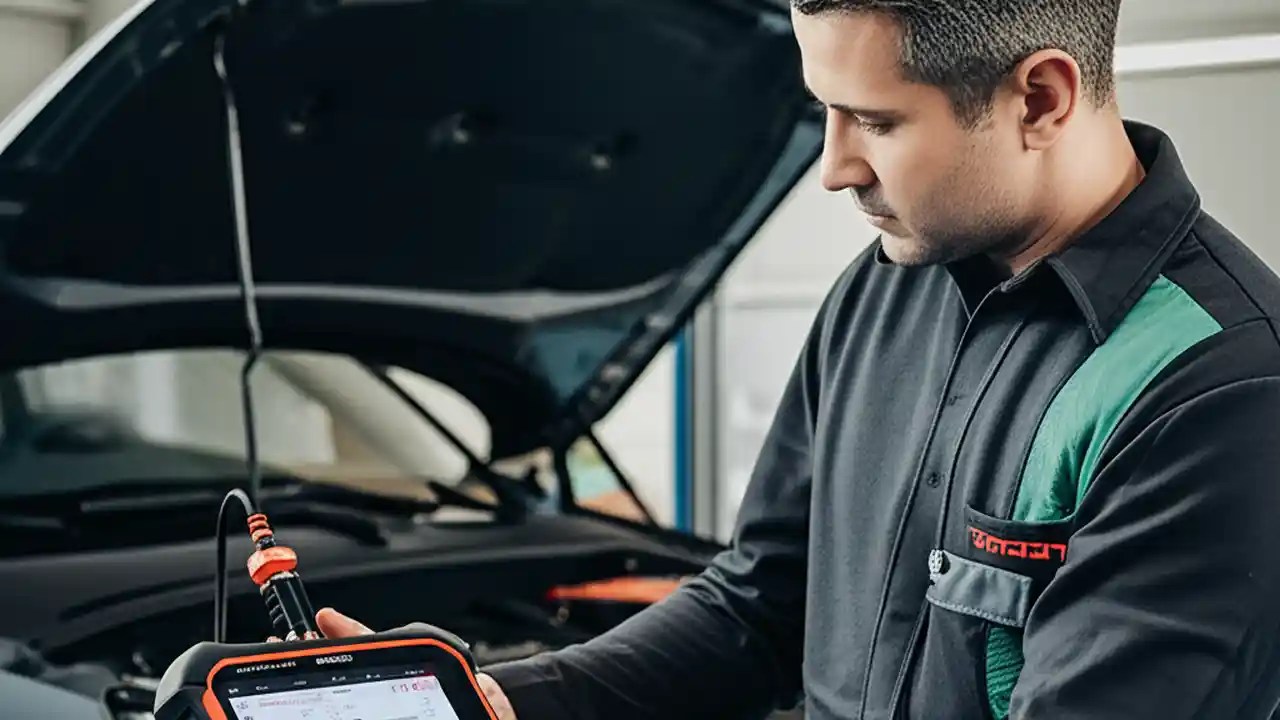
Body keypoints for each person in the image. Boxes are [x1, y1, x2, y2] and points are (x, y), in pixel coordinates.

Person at [316, 1, 1280, 718]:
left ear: (1040, 97)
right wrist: (498, 702)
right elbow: (759, 606)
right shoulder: (884, 291)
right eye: (823, 110)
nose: (835, 165)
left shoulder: (1218, 389)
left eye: (878, 121)